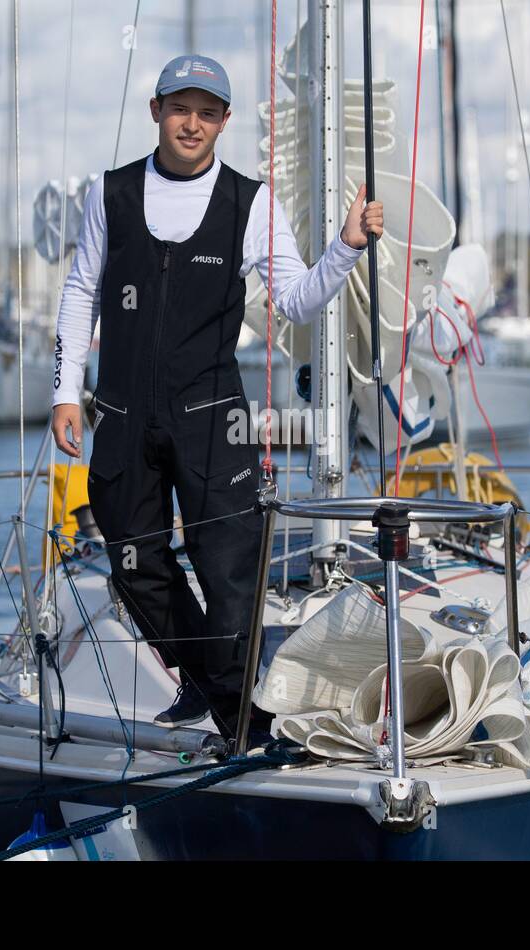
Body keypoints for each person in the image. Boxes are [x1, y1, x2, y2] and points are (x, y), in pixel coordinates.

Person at [51, 54, 383, 745]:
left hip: (211, 414)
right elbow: (81, 290)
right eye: (180, 109)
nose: (192, 124)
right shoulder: (110, 193)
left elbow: (294, 299)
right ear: (157, 113)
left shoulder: (249, 201)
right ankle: (214, 684)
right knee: (134, 562)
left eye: (207, 113)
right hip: (120, 412)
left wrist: (346, 247)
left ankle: (236, 720)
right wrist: (65, 393)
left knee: (230, 569)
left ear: (224, 122)